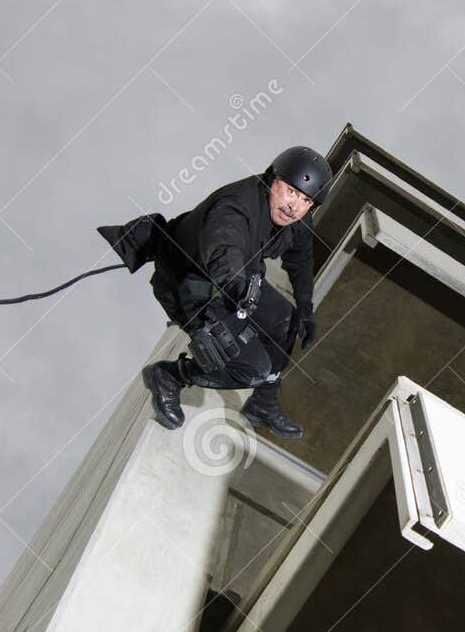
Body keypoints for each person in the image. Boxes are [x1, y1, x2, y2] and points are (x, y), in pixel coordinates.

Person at [97, 146, 332, 440]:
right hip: (190, 287)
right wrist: (240, 292)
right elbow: (224, 249)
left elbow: (300, 259)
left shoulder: (297, 220)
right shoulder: (234, 207)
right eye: (289, 192)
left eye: (305, 200)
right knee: (251, 368)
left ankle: (262, 403)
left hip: (240, 283)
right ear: (272, 179)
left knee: (286, 322)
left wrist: (306, 307)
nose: (293, 207)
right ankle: (169, 376)